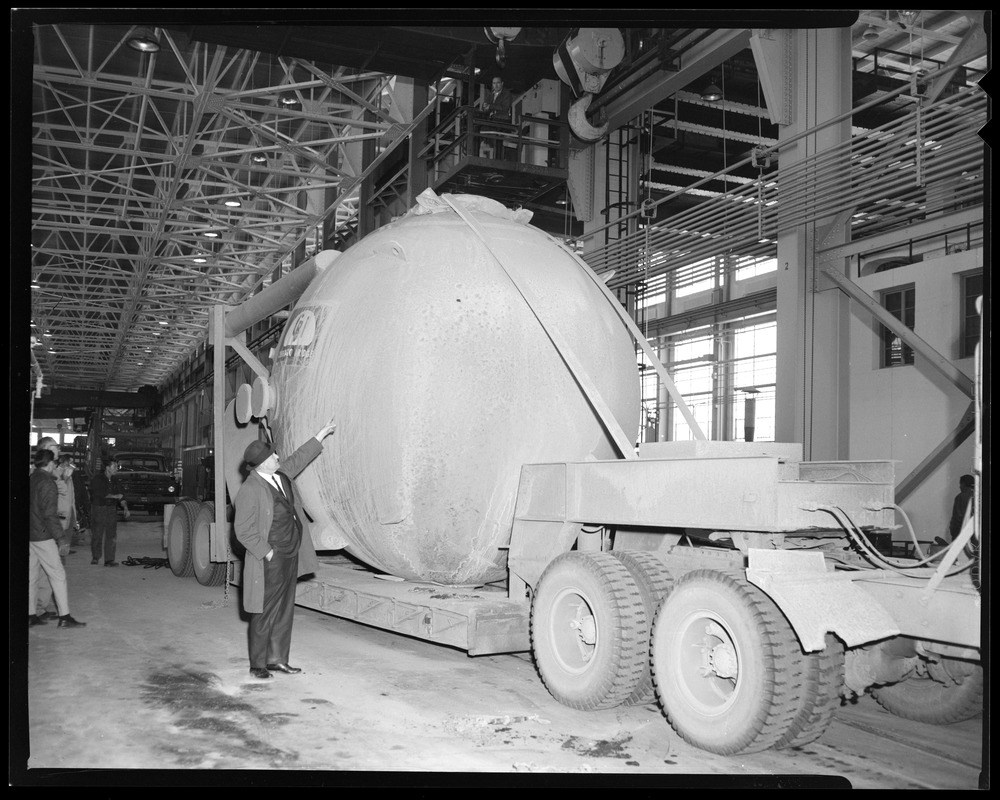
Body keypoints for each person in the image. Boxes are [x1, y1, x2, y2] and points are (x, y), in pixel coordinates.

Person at [234, 419, 337, 680]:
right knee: (265, 611)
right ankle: (257, 664)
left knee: (284, 609)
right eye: (272, 456)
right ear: (261, 464)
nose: (277, 456)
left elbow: (298, 458)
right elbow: (243, 530)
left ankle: (277, 660)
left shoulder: (281, 474)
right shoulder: (250, 489)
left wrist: (319, 436)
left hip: (290, 552)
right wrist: (266, 552)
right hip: (270, 557)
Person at [30, 448, 86, 628]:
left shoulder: (32, 478)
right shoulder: (47, 483)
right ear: (50, 463)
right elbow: (49, 515)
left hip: (31, 534)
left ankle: (30, 614)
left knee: (31, 576)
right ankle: (65, 616)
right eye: (55, 463)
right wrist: (61, 538)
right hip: (43, 536)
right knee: (58, 574)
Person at [90, 458, 125, 566]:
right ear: (107, 468)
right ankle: (96, 557)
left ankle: (109, 560)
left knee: (111, 535)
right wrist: (115, 496)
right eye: (114, 466)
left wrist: (125, 507)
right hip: (99, 508)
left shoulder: (115, 480)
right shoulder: (98, 479)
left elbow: (121, 495)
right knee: (97, 533)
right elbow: (100, 494)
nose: (116, 469)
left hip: (111, 509)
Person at [478, 76, 514, 159]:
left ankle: (491, 154)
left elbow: (504, 108)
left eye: (498, 83)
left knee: (485, 130)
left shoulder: (506, 94)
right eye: (494, 83)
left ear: (502, 84)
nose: (496, 85)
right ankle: (487, 153)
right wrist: (485, 107)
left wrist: (490, 106)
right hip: (493, 120)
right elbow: (486, 106)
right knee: (481, 129)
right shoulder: (491, 94)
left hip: (502, 120)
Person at [949, 474, 975, 541]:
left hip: (962, 534)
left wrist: (953, 532)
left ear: (963, 484)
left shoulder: (960, 497)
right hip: (976, 535)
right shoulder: (979, 496)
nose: (959, 487)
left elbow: (957, 518)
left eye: (960, 484)